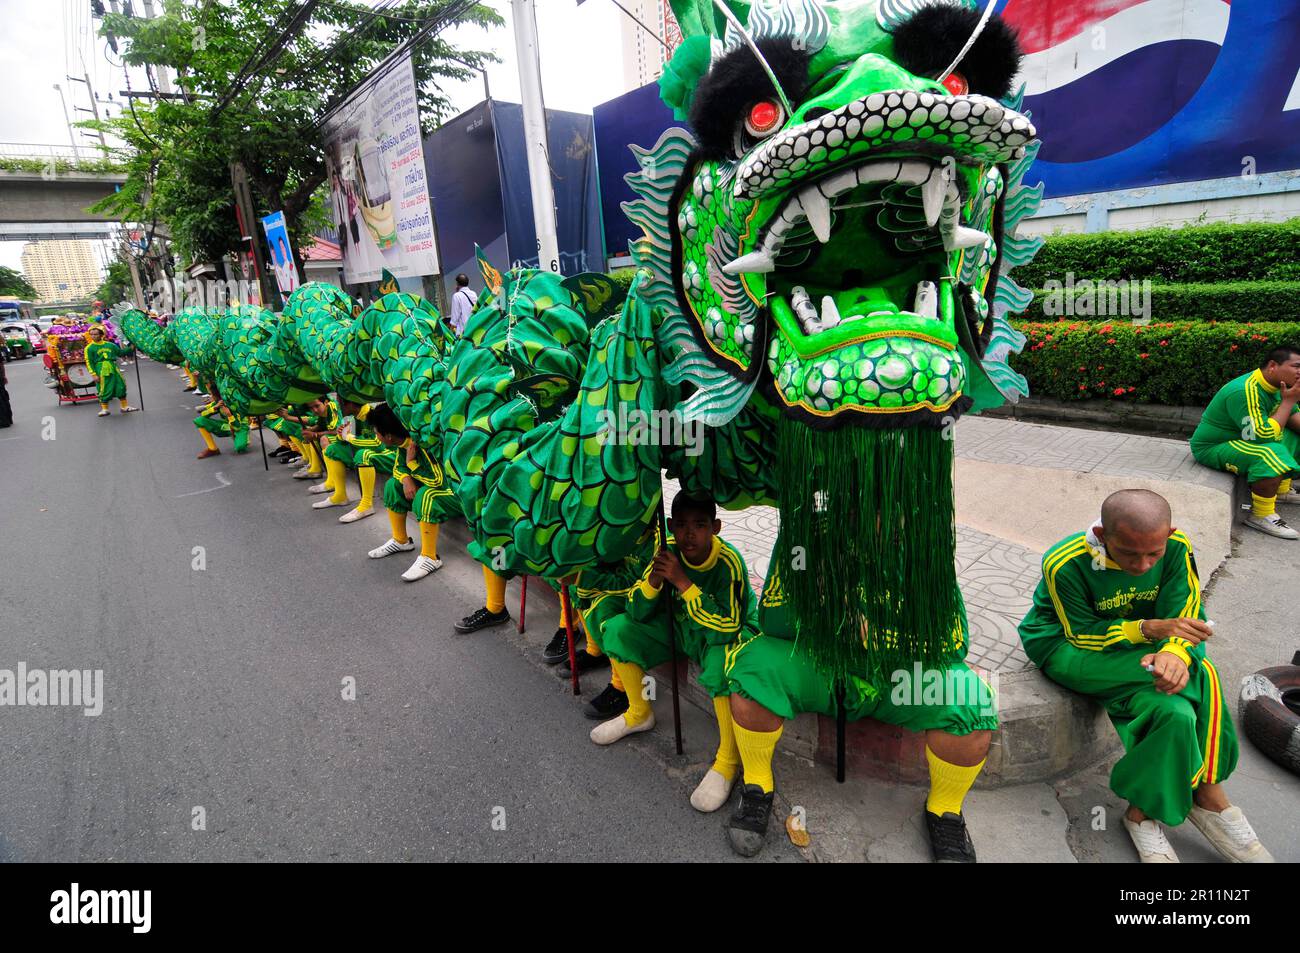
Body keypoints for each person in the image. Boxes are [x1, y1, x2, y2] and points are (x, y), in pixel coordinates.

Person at [1018, 489, 1271, 864]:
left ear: (1169, 534)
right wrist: (1149, 631)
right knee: (1203, 672)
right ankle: (1210, 795)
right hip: (1069, 649)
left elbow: (1186, 610)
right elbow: (1080, 632)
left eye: (1153, 553)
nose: (1143, 564)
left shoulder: (1177, 547)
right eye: (1129, 554)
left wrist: (1171, 651)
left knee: (1175, 713)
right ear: (1103, 536)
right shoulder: (1064, 561)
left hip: (1145, 650)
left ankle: (1141, 813)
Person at [722, 540, 996, 862]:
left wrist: (876, 636)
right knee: (755, 670)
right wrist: (826, 612)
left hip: (896, 675)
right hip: (821, 666)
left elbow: (954, 641)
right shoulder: (805, 536)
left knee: (971, 702)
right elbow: (773, 622)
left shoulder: (924, 541)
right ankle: (757, 785)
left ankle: (945, 810)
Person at [588, 495, 759, 813]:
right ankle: (639, 713)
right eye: (680, 525)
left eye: (700, 525)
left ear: (716, 528)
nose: (689, 534)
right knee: (619, 629)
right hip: (680, 629)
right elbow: (637, 612)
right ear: (670, 526)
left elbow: (728, 627)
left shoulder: (728, 563)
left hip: (718, 633)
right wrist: (654, 580)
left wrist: (683, 582)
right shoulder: (666, 551)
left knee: (724, 661)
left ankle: (728, 760)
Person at [1190, 346, 1300, 539]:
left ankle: (1281, 490)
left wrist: (1288, 404)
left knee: (1292, 434)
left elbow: (1293, 419)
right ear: (1273, 366)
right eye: (1297, 367)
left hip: (1246, 438)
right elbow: (1262, 437)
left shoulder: (1277, 385)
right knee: (1270, 453)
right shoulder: (1244, 390)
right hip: (1216, 445)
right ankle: (1261, 514)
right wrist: (1288, 402)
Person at [365, 404, 455, 582]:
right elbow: (398, 468)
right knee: (393, 485)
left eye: (377, 432)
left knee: (426, 496)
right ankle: (401, 540)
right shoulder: (402, 444)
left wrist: (412, 464)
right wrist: (407, 479)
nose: (376, 436)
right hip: (431, 483)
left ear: (388, 436)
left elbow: (439, 482)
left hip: (453, 491)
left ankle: (430, 557)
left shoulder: (422, 444)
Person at [318, 399, 392, 522]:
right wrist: (341, 434)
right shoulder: (350, 417)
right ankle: (340, 495)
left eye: (340, 403)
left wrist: (350, 438)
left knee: (363, 455)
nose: (337, 406)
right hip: (365, 452)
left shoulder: (374, 414)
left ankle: (367, 504)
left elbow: (379, 445)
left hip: (389, 452)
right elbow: (344, 441)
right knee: (332, 449)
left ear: (351, 404)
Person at [83, 324, 137, 417]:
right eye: (91, 334)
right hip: (100, 369)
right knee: (104, 388)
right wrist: (93, 374)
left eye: (95, 334)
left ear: (101, 334)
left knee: (120, 385)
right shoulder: (89, 348)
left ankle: (124, 407)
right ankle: (104, 409)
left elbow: (121, 353)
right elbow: (89, 362)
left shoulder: (110, 345)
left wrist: (131, 347)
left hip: (113, 368)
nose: (93, 336)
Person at [194, 389, 249, 459]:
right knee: (199, 420)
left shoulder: (234, 404)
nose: (211, 397)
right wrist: (214, 408)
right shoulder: (218, 403)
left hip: (240, 428)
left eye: (212, 395)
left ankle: (245, 438)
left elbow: (237, 427)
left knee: (240, 448)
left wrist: (229, 415)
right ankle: (213, 449)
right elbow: (203, 415)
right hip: (227, 426)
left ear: (217, 396)